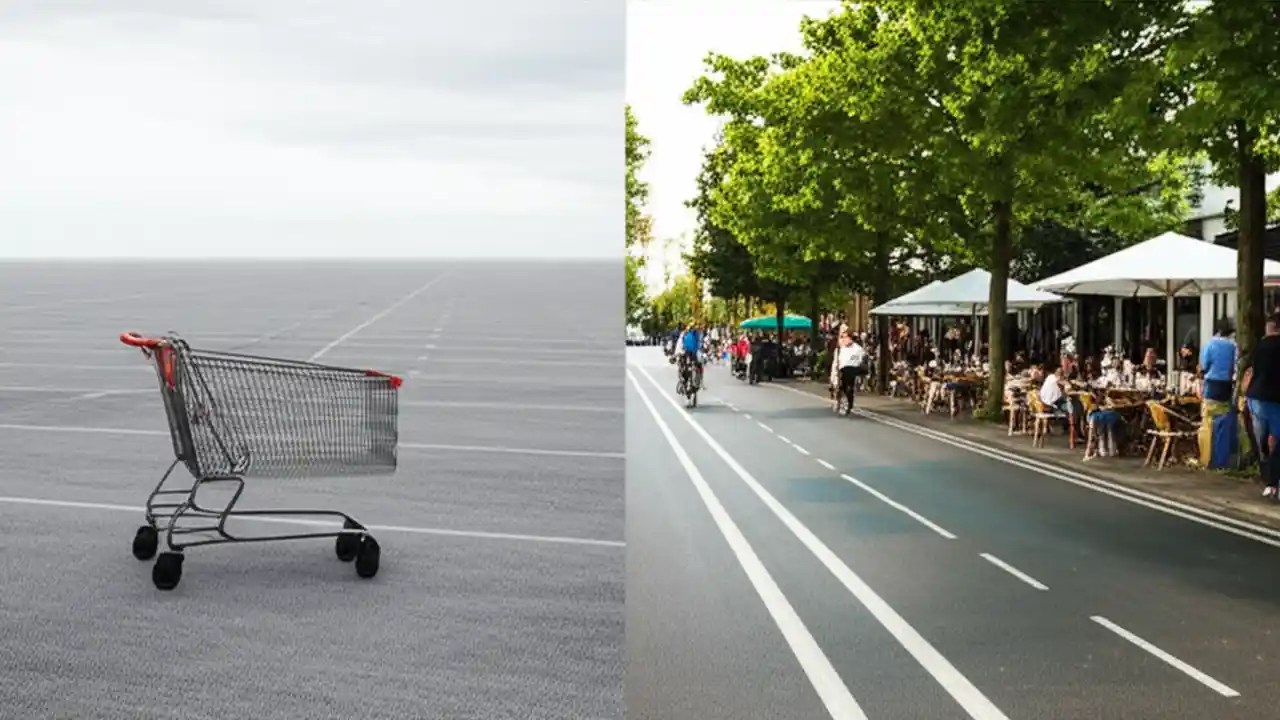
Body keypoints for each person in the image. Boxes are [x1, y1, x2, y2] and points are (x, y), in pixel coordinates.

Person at [1245, 313, 1280, 499]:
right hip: (1275, 399)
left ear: (1272, 326)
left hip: (1256, 397)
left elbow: (1252, 370)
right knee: (1277, 440)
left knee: (1262, 441)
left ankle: (1268, 480)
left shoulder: (1259, 346)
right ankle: (1274, 482)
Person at [1199, 318, 1237, 403]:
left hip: (1212, 384)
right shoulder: (1232, 346)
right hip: (1227, 385)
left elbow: (1204, 366)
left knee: (1211, 412)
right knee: (1225, 410)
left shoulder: (1210, 345)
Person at [832, 329, 867, 415]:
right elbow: (837, 361)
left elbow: (863, 358)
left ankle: (849, 404)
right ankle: (843, 402)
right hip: (842, 370)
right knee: (843, 387)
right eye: (842, 337)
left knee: (849, 387)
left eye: (845, 337)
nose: (844, 339)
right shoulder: (841, 348)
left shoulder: (857, 349)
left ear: (850, 338)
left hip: (852, 369)